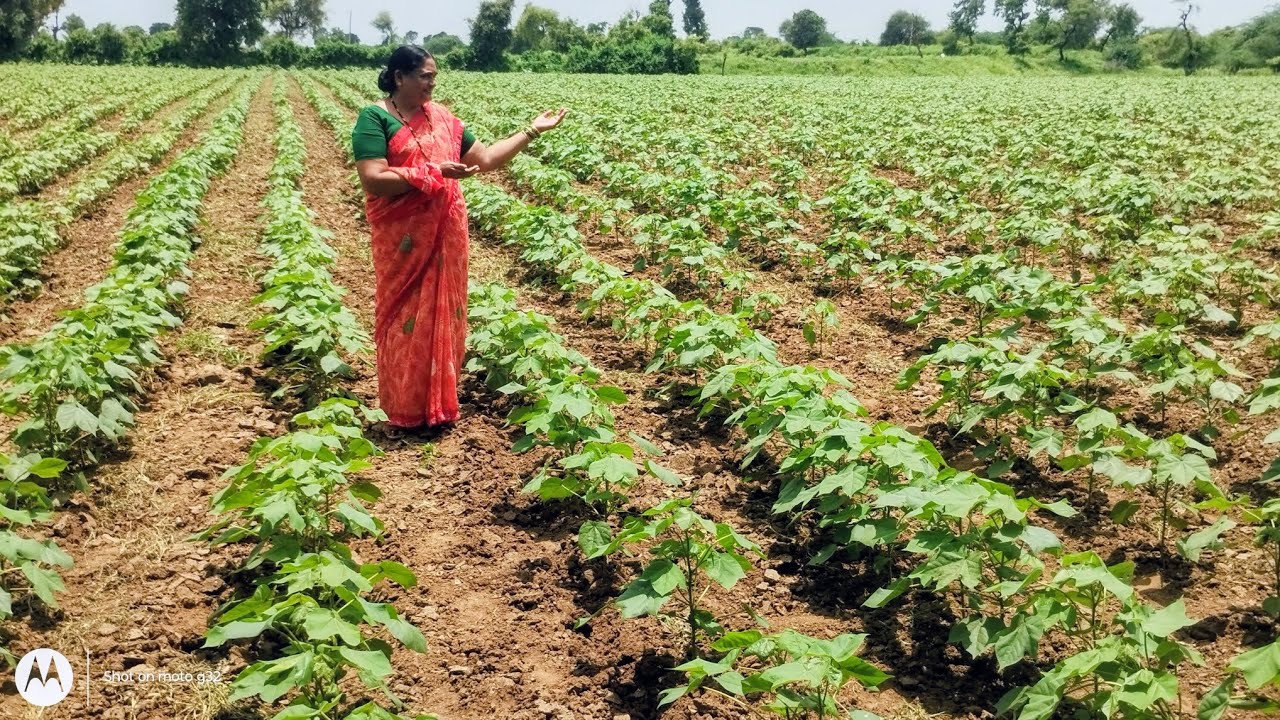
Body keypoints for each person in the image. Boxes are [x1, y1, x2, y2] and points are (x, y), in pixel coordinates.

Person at [352, 45, 567, 432]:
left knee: (443, 315)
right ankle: (405, 411)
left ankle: (437, 408)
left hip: (446, 234)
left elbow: (484, 160)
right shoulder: (375, 118)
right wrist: (430, 171)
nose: (432, 83)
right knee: (404, 318)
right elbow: (373, 179)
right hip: (403, 242)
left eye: (434, 76)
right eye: (424, 76)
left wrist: (532, 130)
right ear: (399, 77)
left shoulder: (445, 120)